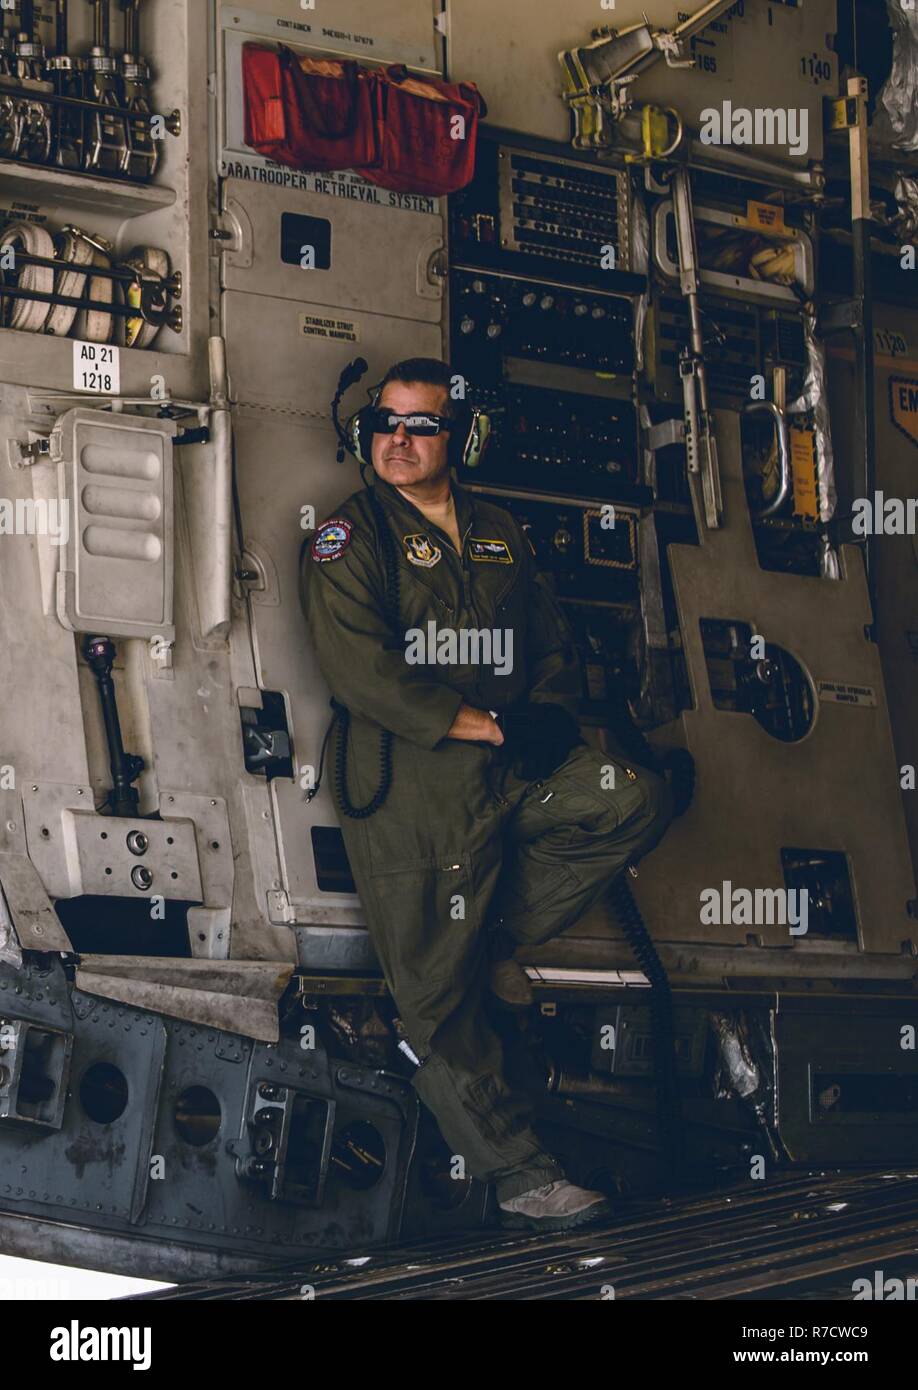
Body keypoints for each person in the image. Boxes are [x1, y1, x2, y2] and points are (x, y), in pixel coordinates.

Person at [303, 357, 673, 1231]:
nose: (399, 440)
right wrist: (483, 725)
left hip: (509, 765)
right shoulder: (349, 541)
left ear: (458, 437)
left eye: (421, 425)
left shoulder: (501, 532)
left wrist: (546, 716)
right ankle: (521, 1176)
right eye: (386, 423)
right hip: (414, 788)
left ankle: (490, 936)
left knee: (632, 800)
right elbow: (365, 674)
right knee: (436, 997)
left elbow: (547, 645)